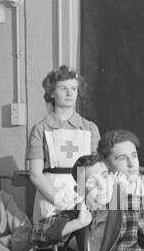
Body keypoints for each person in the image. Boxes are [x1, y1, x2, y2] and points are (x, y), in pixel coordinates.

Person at [27, 67, 100, 219]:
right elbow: (35, 174)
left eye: (73, 88)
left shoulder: (90, 128)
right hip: (50, 198)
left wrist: (86, 200)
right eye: (63, 88)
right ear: (52, 92)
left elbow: (96, 170)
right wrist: (59, 201)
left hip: (82, 196)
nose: (69, 93)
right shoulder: (40, 129)